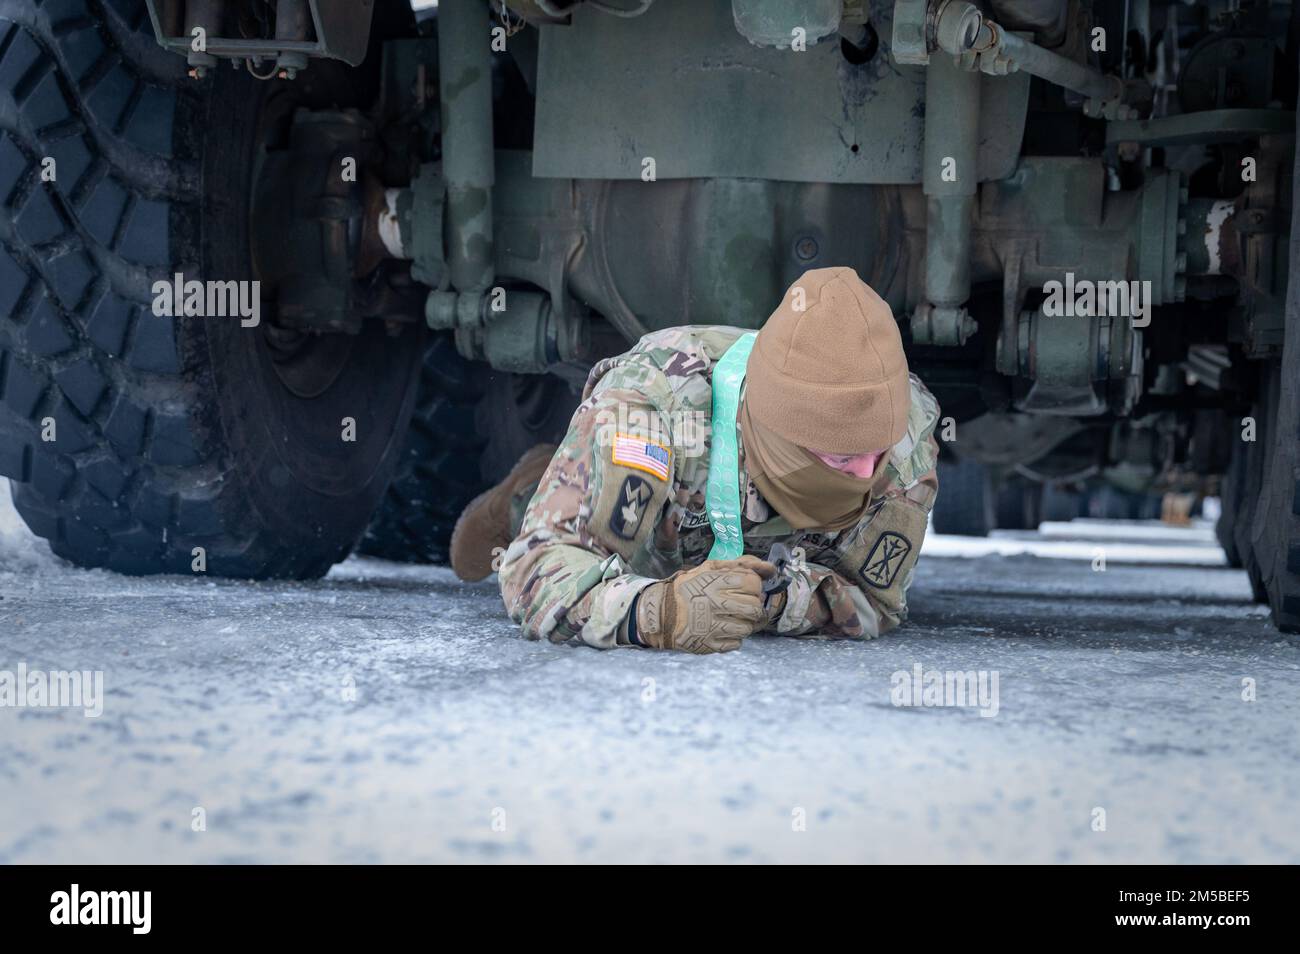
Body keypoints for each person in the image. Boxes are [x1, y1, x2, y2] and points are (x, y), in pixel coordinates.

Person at [451, 266, 941, 654]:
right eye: (841, 457)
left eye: (874, 454)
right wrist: (660, 614)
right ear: (777, 435)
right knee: (629, 544)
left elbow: (876, 603)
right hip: (657, 523)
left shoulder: (905, 435)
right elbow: (536, 571)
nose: (864, 475)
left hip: (767, 550)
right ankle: (529, 492)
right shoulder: (649, 404)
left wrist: (768, 600)